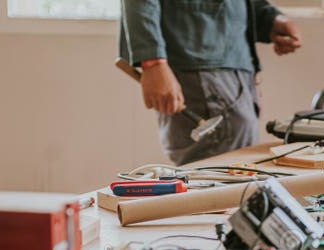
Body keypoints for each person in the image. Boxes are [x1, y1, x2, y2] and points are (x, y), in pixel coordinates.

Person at [119, 1, 301, 165]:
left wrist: (268, 19)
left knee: (234, 182)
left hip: (228, 67)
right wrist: (153, 60)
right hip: (201, 68)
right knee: (219, 184)